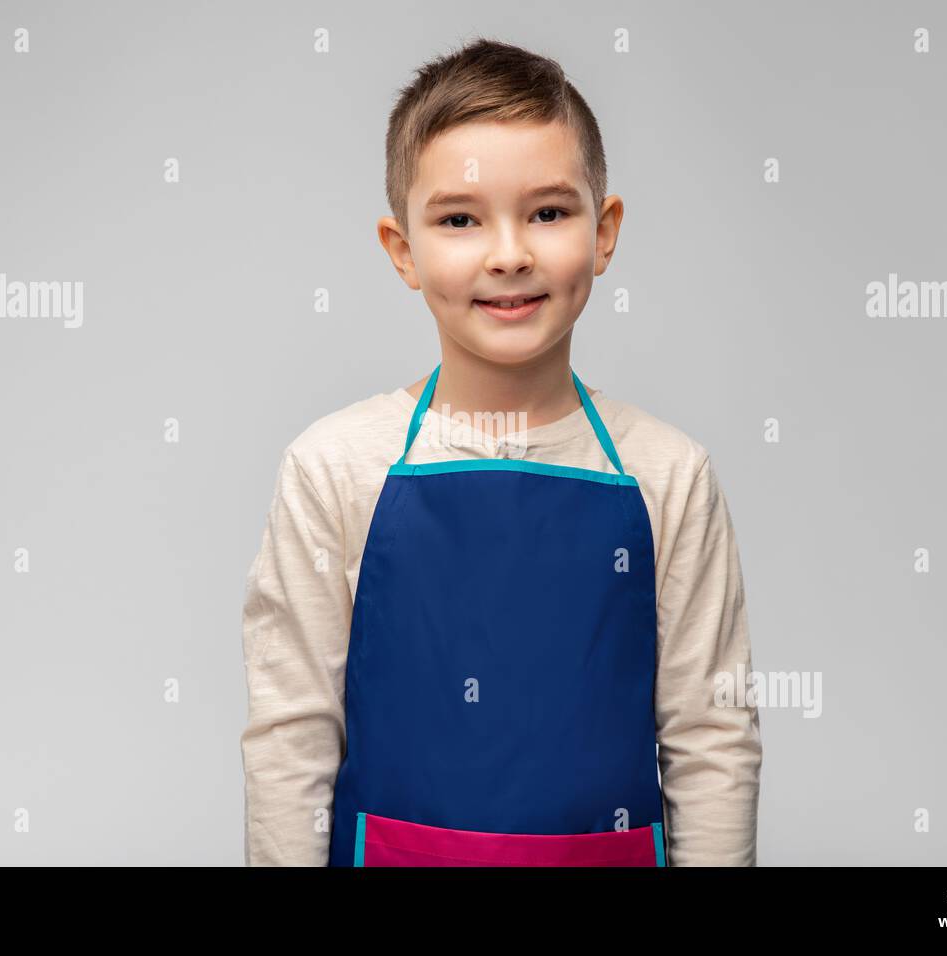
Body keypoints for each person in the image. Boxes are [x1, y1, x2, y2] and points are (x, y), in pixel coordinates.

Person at [241, 36, 761, 866]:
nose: (510, 253)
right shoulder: (334, 467)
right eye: (459, 220)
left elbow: (712, 740)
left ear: (605, 232)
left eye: (549, 212)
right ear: (403, 249)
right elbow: (289, 738)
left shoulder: (669, 474)